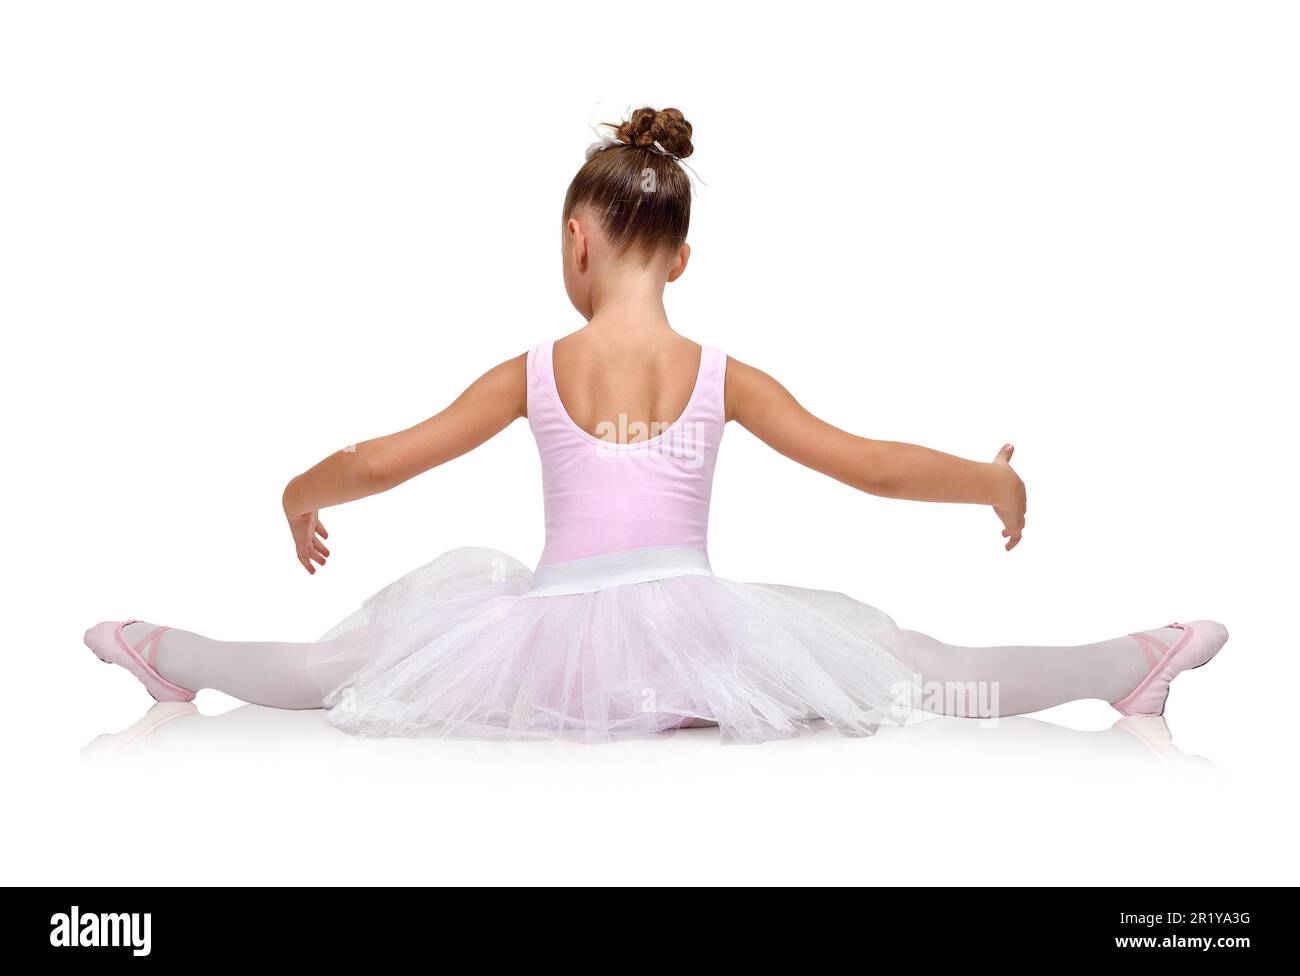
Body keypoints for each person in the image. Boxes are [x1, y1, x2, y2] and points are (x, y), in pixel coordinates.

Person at [84, 107, 1227, 743]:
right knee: (929, 674)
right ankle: (1131, 663)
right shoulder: (721, 372)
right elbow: (870, 469)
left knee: (340, 666)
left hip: (549, 656)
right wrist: (988, 482)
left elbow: (387, 456)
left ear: (576, 240)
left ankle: (161, 651)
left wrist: (302, 494)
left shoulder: (534, 368)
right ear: (681, 255)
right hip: (703, 653)